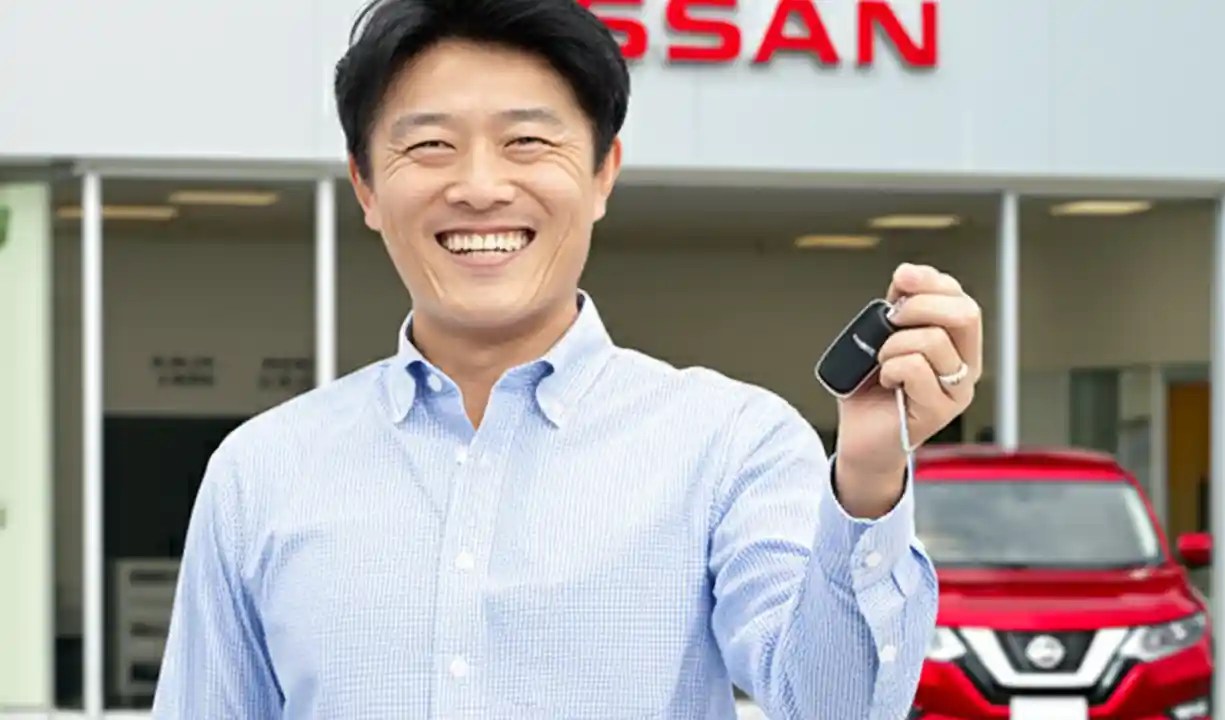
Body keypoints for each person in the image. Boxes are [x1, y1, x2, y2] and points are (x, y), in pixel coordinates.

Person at [151, 0, 983, 717]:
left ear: (601, 174)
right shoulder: (262, 472)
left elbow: (832, 707)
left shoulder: (729, 444)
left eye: (526, 143)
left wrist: (869, 477)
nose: (479, 186)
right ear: (367, 187)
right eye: (431, 146)